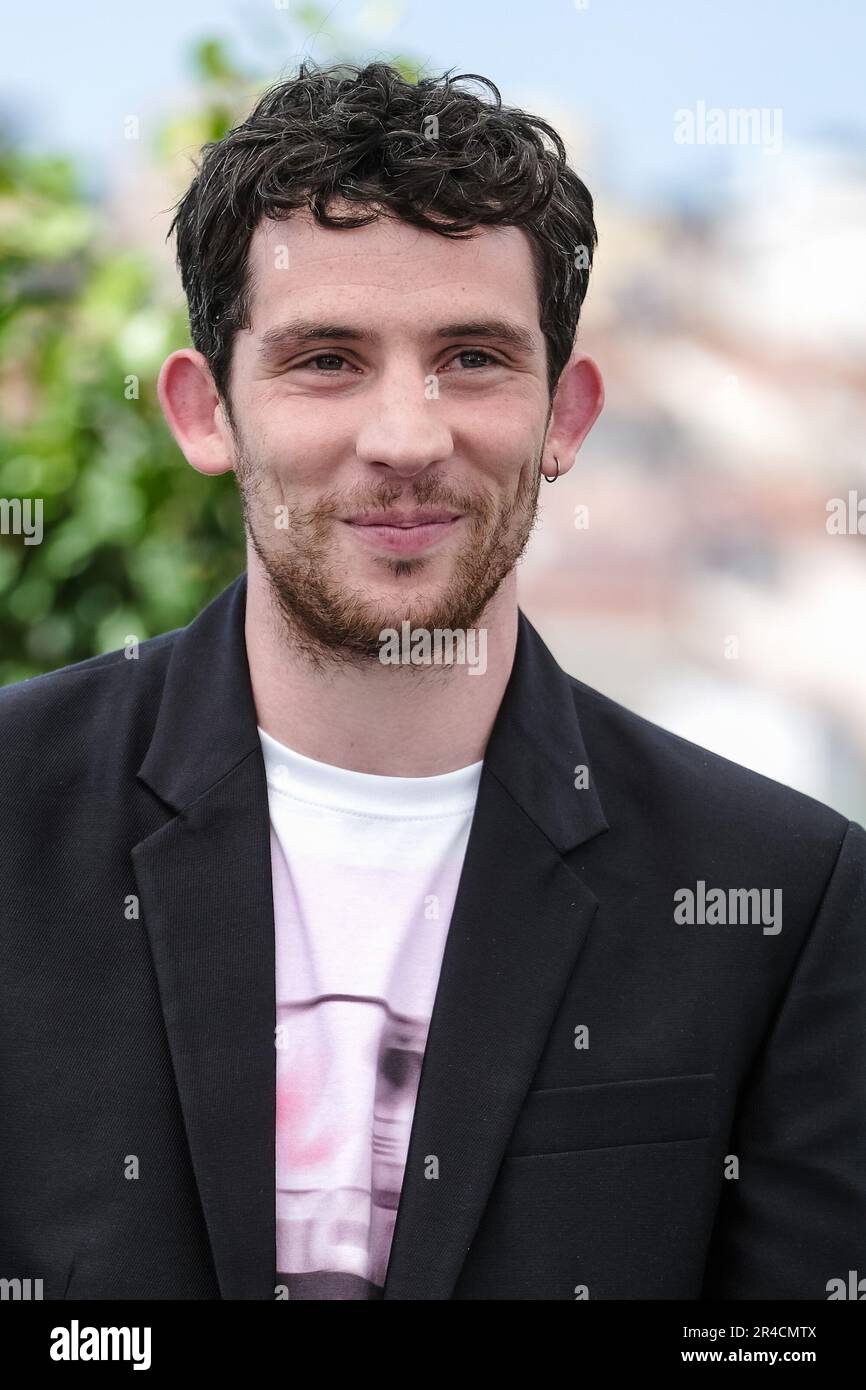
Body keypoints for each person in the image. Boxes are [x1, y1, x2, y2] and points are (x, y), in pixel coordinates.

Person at [1, 61, 863, 1301]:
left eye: (470, 358)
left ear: (565, 414)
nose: (406, 436)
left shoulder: (781, 893)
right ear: (204, 412)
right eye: (325, 360)